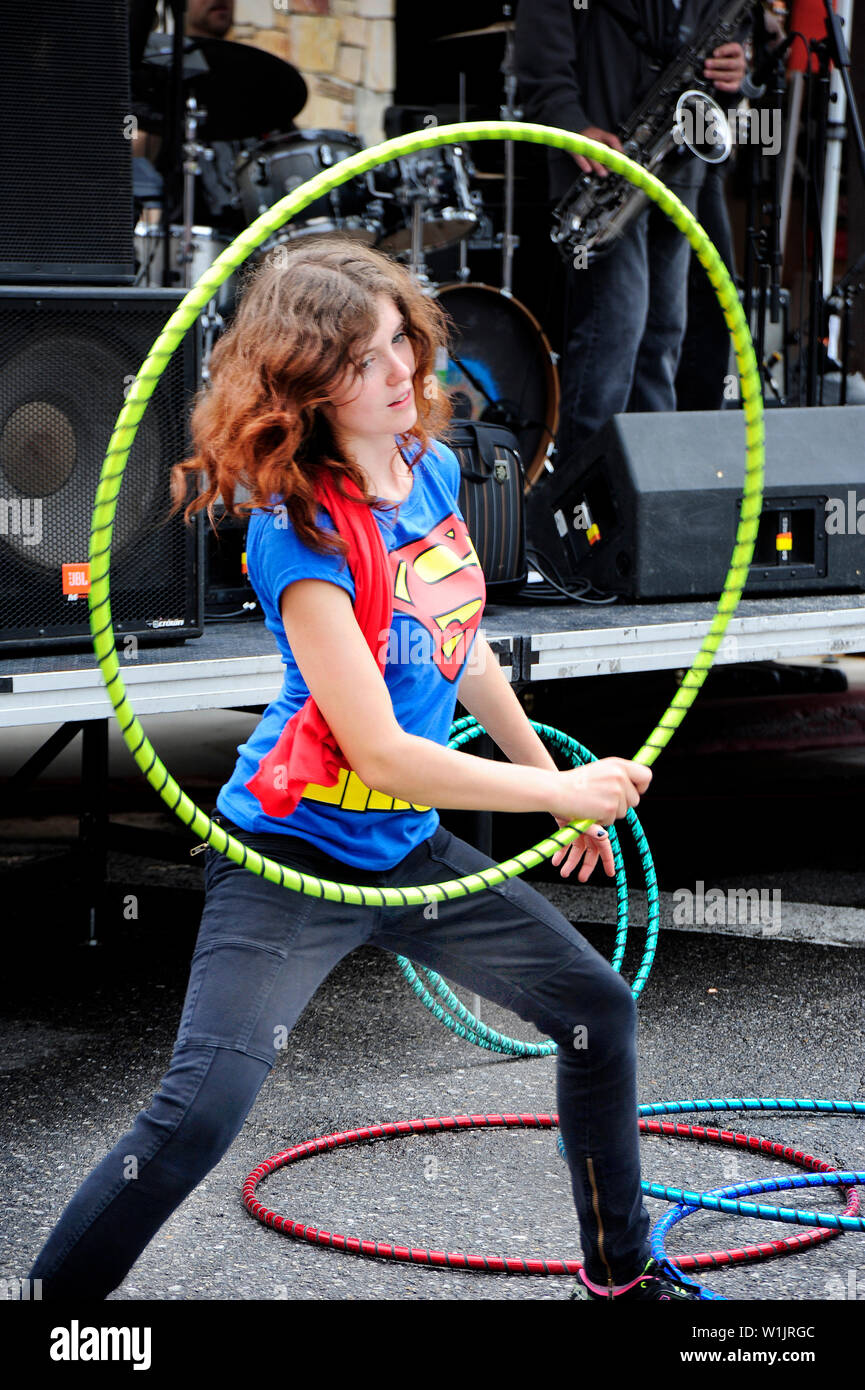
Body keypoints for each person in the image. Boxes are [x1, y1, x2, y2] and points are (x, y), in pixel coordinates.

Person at [27, 238, 700, 1302]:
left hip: (403, 850)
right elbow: (380, 749)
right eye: (365, 359)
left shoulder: (430, 466)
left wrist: (544, 778)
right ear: (304, 382)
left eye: (402, 340)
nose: (405, 372)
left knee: (594, 1011)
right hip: (288, 855)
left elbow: (457, 640)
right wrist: (559, 793)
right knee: (198, 1113)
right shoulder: (292, 534)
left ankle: (620, 1276)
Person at [515, 0, 747, 464]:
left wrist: (737, 76)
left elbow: (719, 71)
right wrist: (571, 122)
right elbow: (539, 54)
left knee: (663, 336)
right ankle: (581, 499)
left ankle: (651, 494)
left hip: (678, 167)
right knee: (615, 335)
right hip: (602, 170)